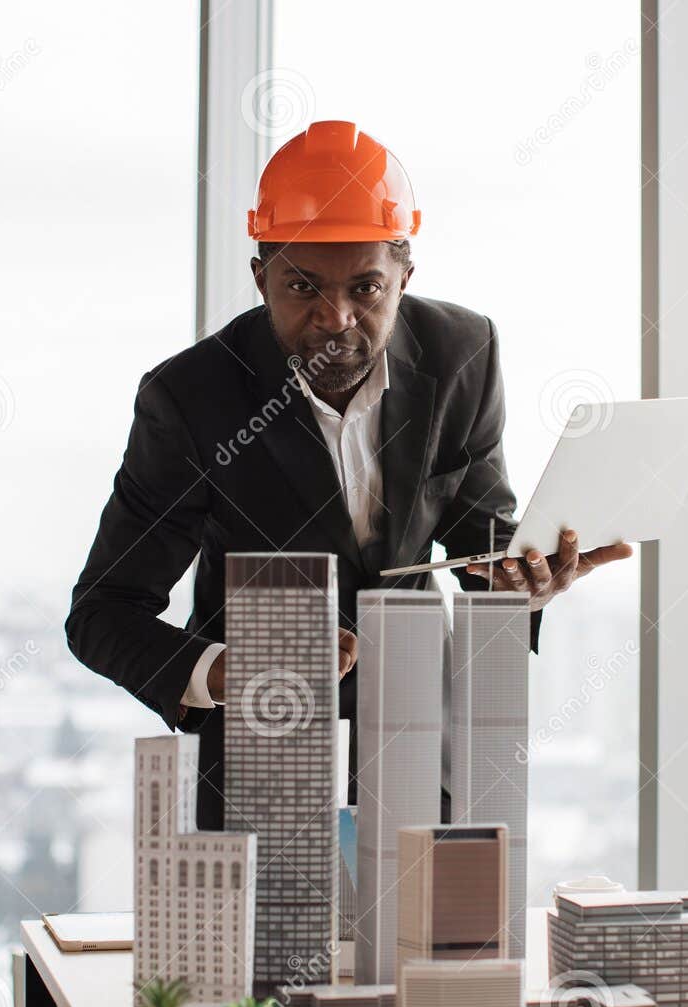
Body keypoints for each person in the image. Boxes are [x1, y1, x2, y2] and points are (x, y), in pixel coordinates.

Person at [66, 120, 630, 829]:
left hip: (419, 745)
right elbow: (102, 612)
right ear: (260, 275)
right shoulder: (190, 400)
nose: (335, 319)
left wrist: (525, 576)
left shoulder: (461, 353)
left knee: (430, 939)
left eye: (367, 288)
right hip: (260, 762)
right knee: (269, 943)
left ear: (405, 278)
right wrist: (225, 674)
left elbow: (478, 532)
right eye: (302, 285)